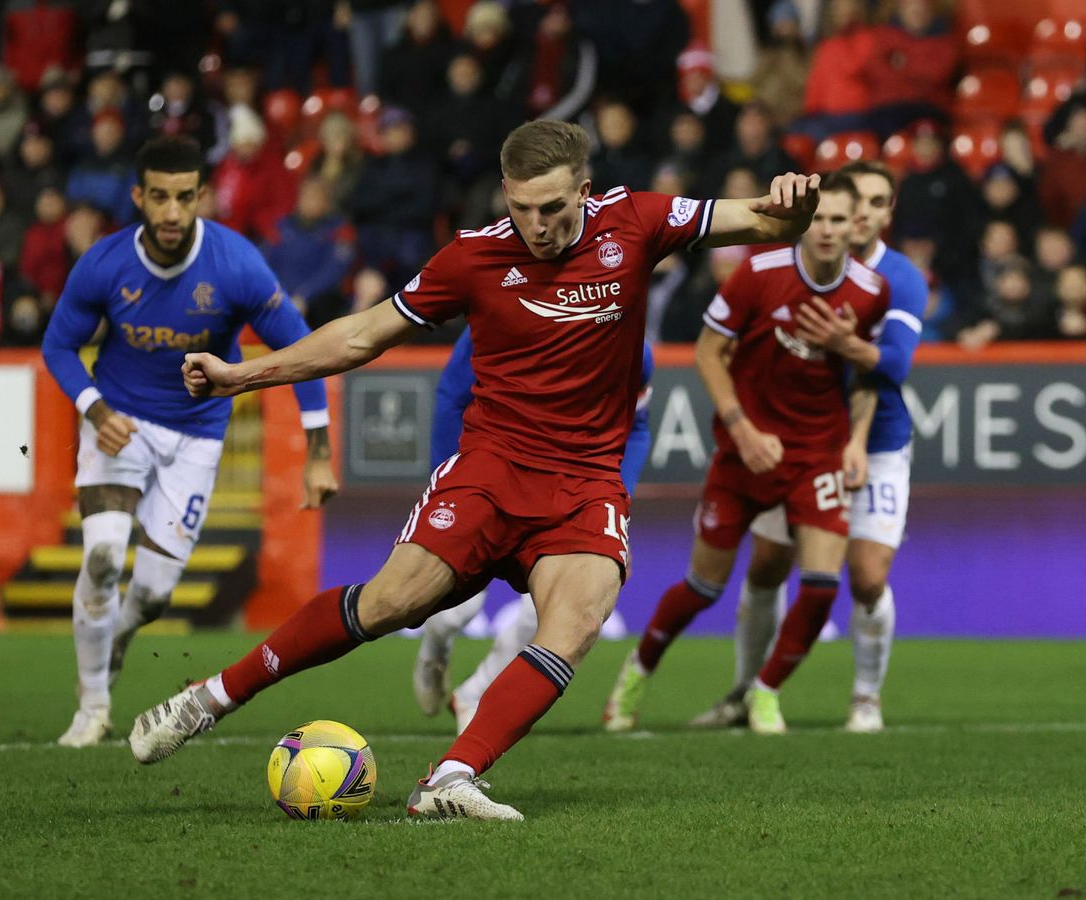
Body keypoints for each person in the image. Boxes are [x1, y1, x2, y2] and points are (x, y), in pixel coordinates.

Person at [127, 120, 824, 821]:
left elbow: (762, 221)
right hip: (491, 468)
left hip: (583, 481)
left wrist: (791, 205)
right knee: (390, 603)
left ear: (585, 191)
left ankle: (450, 777)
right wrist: (241, 375)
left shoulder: (637, 220)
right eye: (522, 208)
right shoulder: (473, 257)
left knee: (579, 617)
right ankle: (209, 698)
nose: (538, 226)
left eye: (553, 208)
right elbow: (363, 333)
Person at [40, 136, 337, 748]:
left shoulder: (236, 264)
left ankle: (119, 635)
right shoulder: (103, 263)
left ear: (201, 195)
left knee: (151, 596)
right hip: (117, 421)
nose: (172, 212)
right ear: (138, 197)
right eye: (159, 197)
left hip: (198, 436)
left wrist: (319, 451)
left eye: (184, 197)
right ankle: (92, 705)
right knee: (101, 556)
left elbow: (301, 348)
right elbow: (58, 345)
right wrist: (93, 409)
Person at [603, 174, 888, 736]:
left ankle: (765, 693)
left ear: (855, 226)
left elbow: (864, 377)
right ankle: (636, 672)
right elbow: (709, 353)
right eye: (819, 217)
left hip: (817, 453)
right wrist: (742, 428)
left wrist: (856, 440)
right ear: (805, 220)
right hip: (744, 451)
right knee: (703, 586)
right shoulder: (758, 275)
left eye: (838, 219)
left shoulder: (870, 291)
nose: (826, 229)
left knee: (822, 585)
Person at [688, 160, 927, 733]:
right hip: (798, 442)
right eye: (854, 201)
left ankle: (865, 697)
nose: (862, 213)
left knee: (866, 577)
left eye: (875, 202)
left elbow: (892, 364)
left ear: (886, 213)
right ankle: (746, 691)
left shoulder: (898, 280)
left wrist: (848, 348)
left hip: (874, 444)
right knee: (768, 565)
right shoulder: (790, 265)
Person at [412, 334, 654, 731]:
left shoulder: (629, 341)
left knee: (556, 605)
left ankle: (476, 691)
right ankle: (435, 648)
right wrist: (447, 479)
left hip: (569, 488)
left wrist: (617, 509)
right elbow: (452, 396)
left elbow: (637, 426)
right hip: (488, 473)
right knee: (459, 608)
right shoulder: (500, 310)